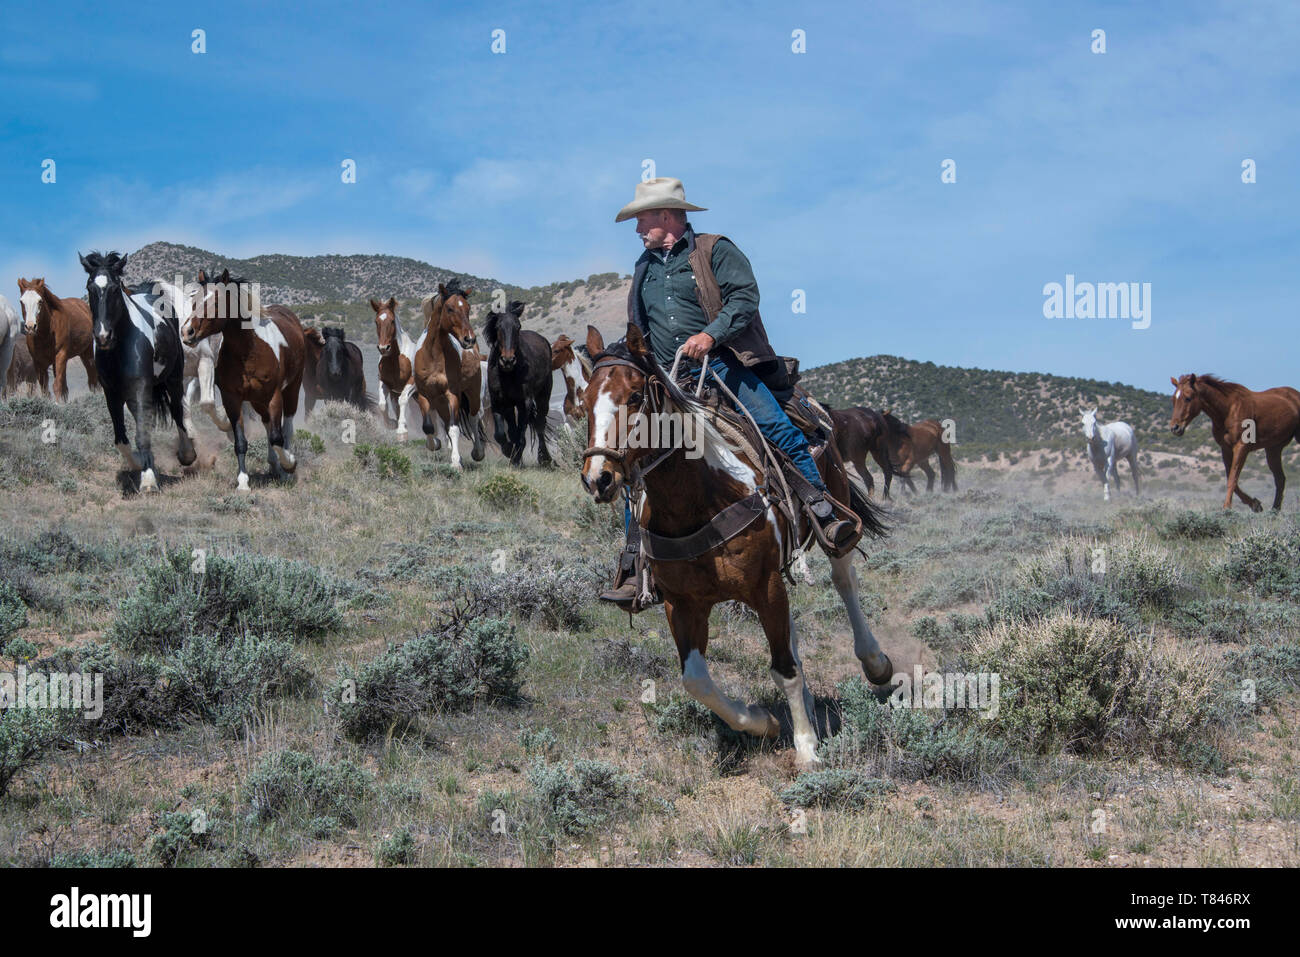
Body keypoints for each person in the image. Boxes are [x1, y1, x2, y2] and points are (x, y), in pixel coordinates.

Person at [599, 177, 855, 610]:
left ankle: (824, 511)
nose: (637, 229)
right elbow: (639, 326)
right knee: (637, 459)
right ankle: (633, 564)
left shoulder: (714, 249)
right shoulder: (643, 267)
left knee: (777, 427)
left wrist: (710, 335)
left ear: (666, 215)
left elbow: (744, 298)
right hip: (670, 382)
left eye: (641, 219)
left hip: (725, 366)